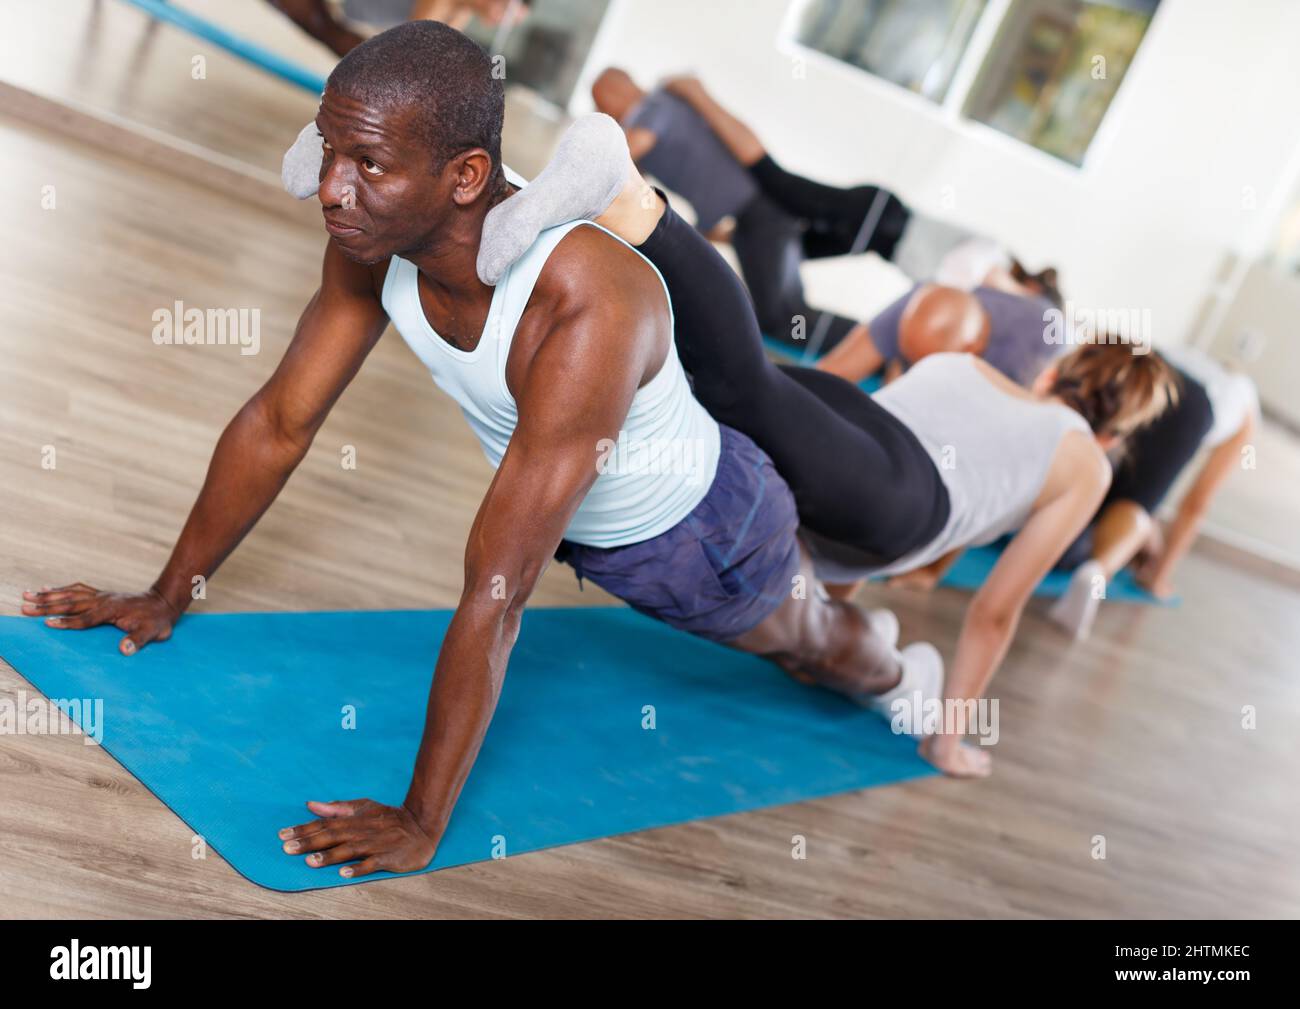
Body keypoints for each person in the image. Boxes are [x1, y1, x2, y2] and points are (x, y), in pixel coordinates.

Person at [20, 24, 935, 879]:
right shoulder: (375, 232)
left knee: (815, 650)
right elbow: (280, 422)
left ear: (465, 177)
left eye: (367, 162)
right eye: (330, 153)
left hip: (706, 539)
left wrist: (422, 821)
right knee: (793, 621)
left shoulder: (586, 299)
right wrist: (165, 593)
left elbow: (498, 590)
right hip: (588, 516)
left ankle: (905, 674)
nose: (333, 187)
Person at [476, 113, 1178, 779]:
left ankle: (539, 254)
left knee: (724, 384)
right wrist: (949, 735)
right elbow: (996, 607)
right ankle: (628, 199)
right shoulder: (1085, 462)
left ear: (1056, 372)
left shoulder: (978, 366)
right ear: (1117, 432)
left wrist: (831, 608)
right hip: (896, 494)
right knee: (742, 384)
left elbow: (846, 442)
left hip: (855, 422)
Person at [590, 69, 1056, 353]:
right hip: (874, 220)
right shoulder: (992, 260)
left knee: (784, 229)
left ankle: (862, 339)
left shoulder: (655, 111)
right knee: (779, 199)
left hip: (870, 230)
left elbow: (952, 289)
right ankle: (865, 339)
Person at [1048, 345, 1259, 636]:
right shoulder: (1245, 407)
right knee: (1137, 502)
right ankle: (1097, 572)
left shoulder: (1193, 357)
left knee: (1097, 460)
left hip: (1144, 370)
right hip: (1192, 404)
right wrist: (1159, 576)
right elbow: (1197, 504)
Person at [816, 277, 1065, 388]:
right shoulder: (918, 302)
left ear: (972, 349)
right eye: (907, 358)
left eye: (920, 365)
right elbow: (830, 372)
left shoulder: (1034, 359)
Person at [268, 0, 528, 57]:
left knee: (350, 47)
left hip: (336, 12)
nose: (497, 21)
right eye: (503, 12)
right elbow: (411, 51)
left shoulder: (460, 12)